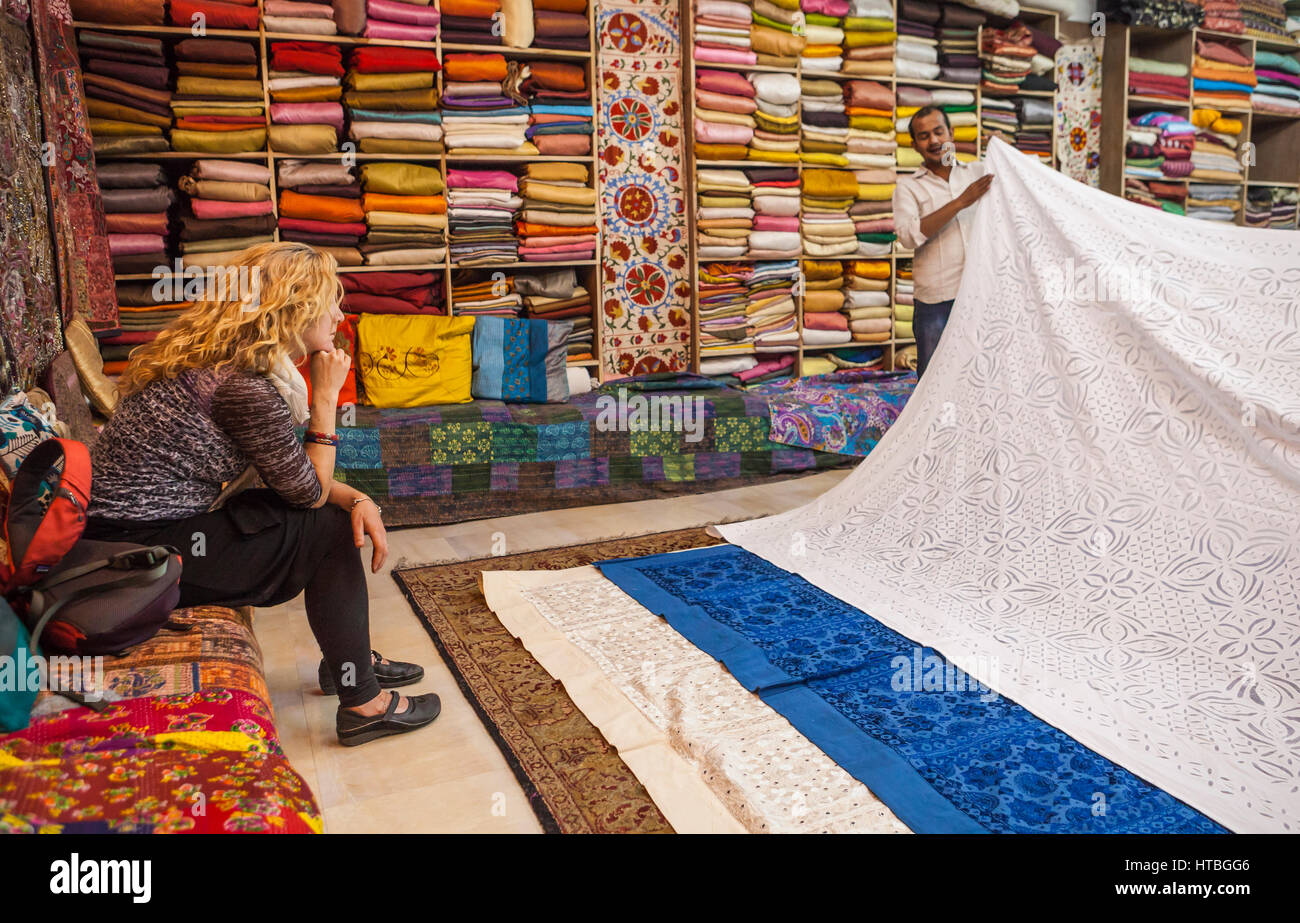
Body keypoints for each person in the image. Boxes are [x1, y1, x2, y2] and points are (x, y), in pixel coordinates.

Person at [83, 241, 441, 747]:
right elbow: (308, 495)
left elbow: (288, 475)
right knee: (325, 528)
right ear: (292, 308)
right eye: (330, 300)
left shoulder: (219, 365)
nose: (340, 313)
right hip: (137, 557)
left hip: (129, 539)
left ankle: (346, 661)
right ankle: (364, 701)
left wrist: (355, 497)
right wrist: (324, 399)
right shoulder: (243, 388)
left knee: (319, 516)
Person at [893, 105, 995, 377]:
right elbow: (907, 236)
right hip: (936, 301)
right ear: (915, 145)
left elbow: (1024, 178)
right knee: (933, 379)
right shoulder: (908, 186)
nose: (934, 141)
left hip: (979, 293)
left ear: (952, 133)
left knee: (981, 374)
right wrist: (962, 202)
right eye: (924, 136)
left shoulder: (978, 173)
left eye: (939, 132)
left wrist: (1005, 150)